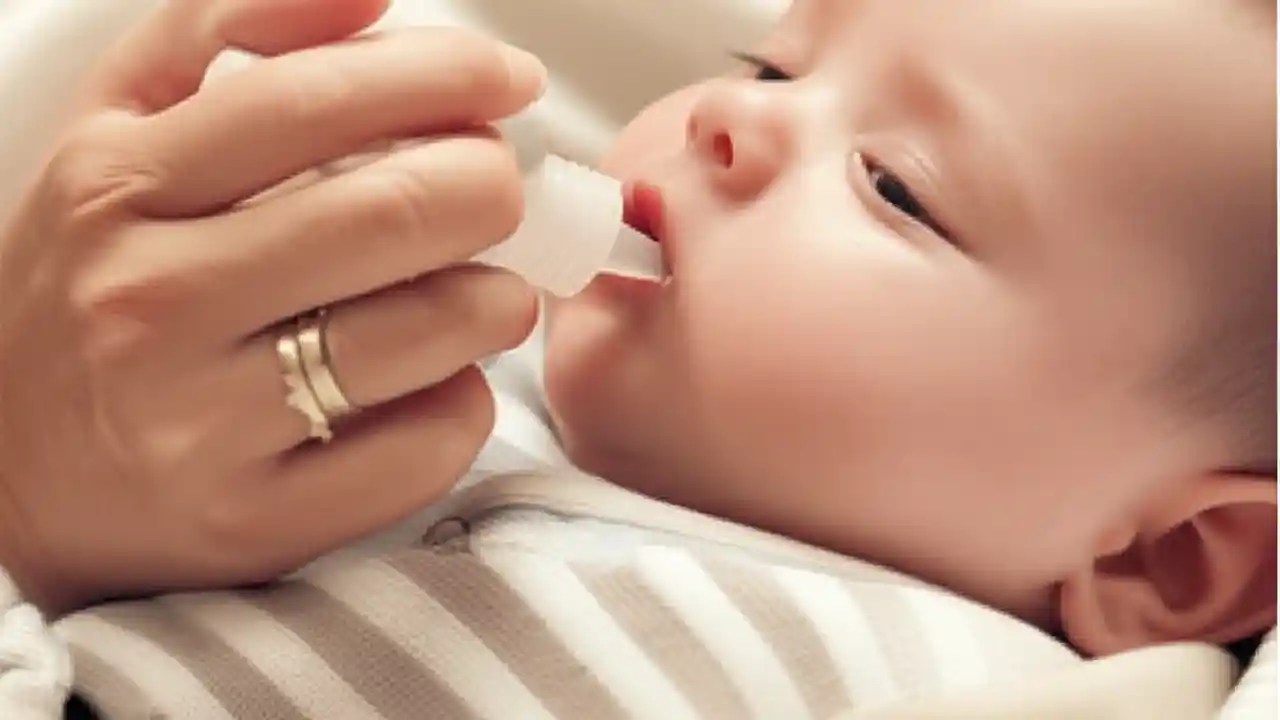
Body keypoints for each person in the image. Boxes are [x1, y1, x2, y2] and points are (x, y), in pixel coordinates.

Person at [1, 0, 1276, 717]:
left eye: (894, 185)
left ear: (1163, 562)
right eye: (773, 64)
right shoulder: (412, 359)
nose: (731, 117)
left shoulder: (957, 692)